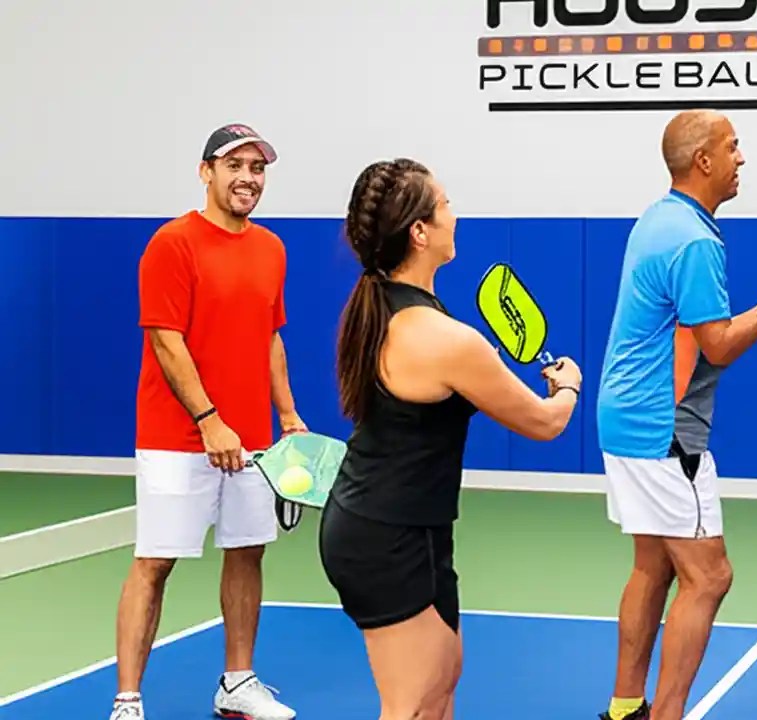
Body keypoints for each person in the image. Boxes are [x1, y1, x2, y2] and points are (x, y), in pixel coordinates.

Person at [594, 109, 757, 720]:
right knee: (709, 577)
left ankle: (626, 710)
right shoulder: (696, 241)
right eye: (733, 147)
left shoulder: (659, 218)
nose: (742, 158)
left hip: (623, 418)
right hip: (664, 429)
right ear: (703, 160)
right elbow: (720, 344)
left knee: (652, 567)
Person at [318, 157, 582, 720]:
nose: (454, 215)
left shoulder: (396, 310)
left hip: (419, 527)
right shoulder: (443, 338)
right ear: (419, 232)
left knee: (441, 681)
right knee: (410, 704)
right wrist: (569, 386)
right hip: (382, 536)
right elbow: (544, 422)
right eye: (445, 205)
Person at [112, 124, 304, 720]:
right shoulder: (172, 244)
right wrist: (209, 420)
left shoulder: (271, 248)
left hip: (252, 440)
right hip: (177, 439)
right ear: (206, 172)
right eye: (234, 165)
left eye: (257, 168)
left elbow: (271, 339)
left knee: (247, 552)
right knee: (155, 561)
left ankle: (237, 684)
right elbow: (167, 342)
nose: (248, 178)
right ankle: (127, 700)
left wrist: (289, 416)